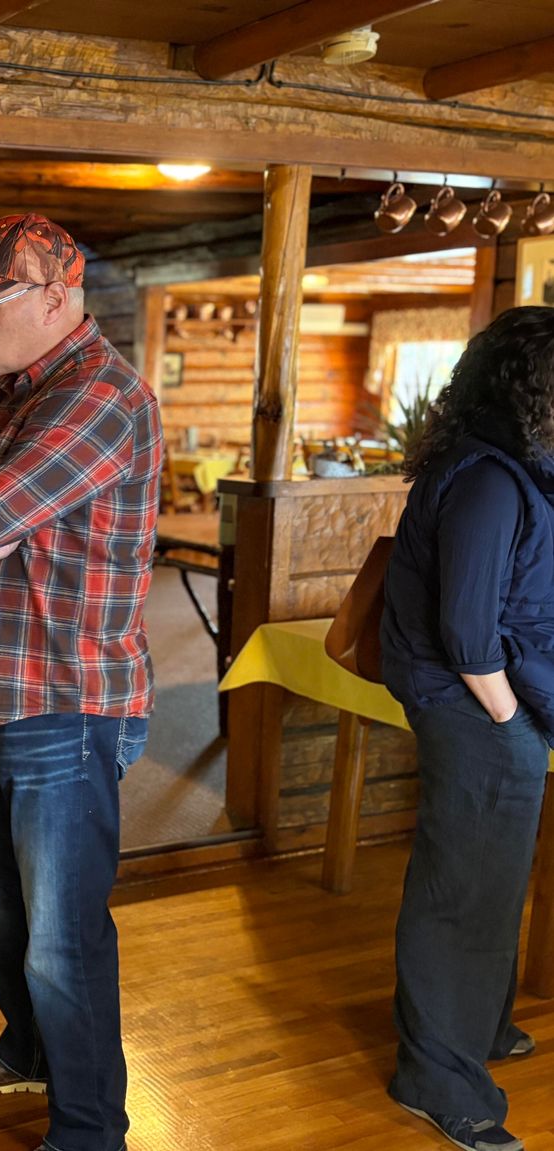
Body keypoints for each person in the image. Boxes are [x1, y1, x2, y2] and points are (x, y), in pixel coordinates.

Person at [0, 213, 162, 1151]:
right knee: (14, 903)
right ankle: (30, 1051)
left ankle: (90, 1130)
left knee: (64, 933)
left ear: (56, 297)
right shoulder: (1, 396)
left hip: (66, 701)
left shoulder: (100, 396)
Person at [379, 307, 554, 1151]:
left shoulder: (509, 464)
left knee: (493, 878)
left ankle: (475, 1025)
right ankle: (437, 1078)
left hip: (492, 700)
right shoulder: (488, 480)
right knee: (461, 890)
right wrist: (510, 717)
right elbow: (468, 634)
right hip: (477, 701)